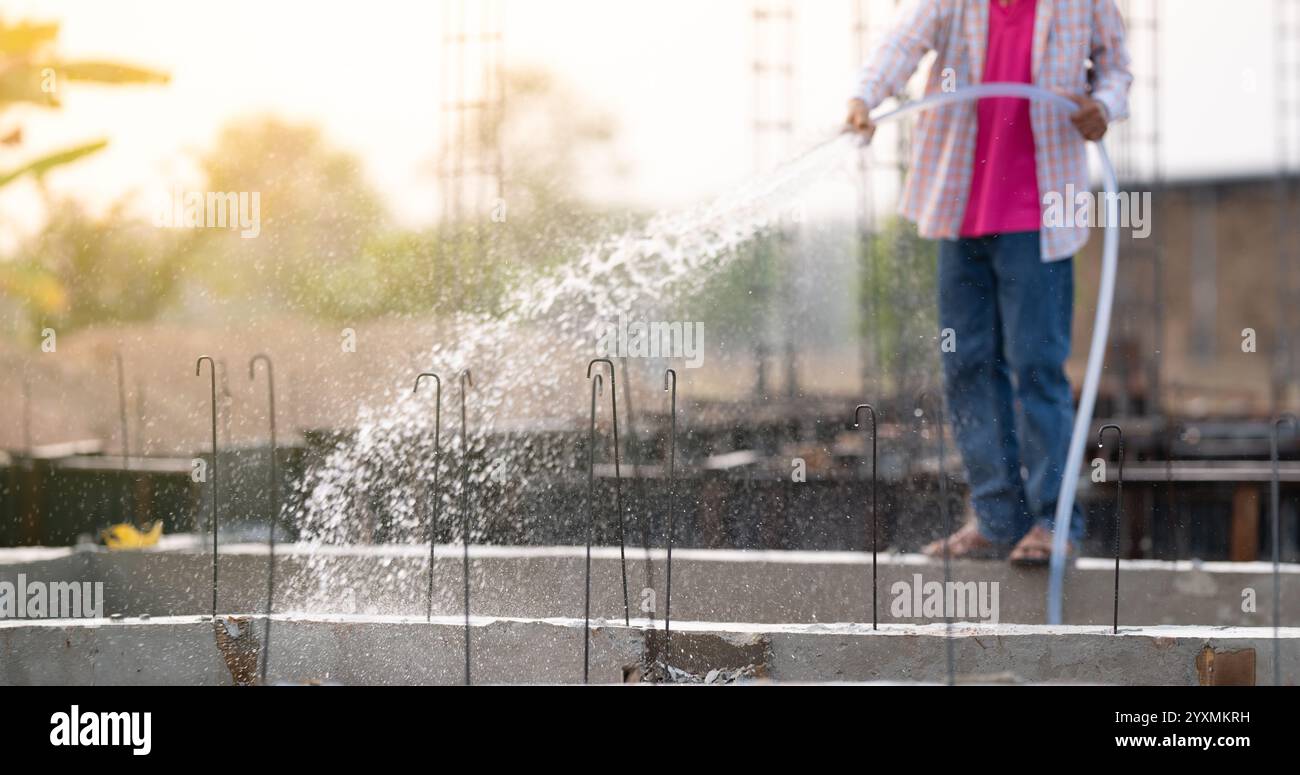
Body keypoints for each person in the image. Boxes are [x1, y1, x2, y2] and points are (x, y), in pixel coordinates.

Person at [845, 0, 1131, 563]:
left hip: (1039, 214)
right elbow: (901, 42)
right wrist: (864, 98)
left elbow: (1116, 66)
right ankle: (998, 518)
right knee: (967, 364)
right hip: (960, 207)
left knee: (1037, 367)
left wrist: (1104, 104)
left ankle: (1054, 523)